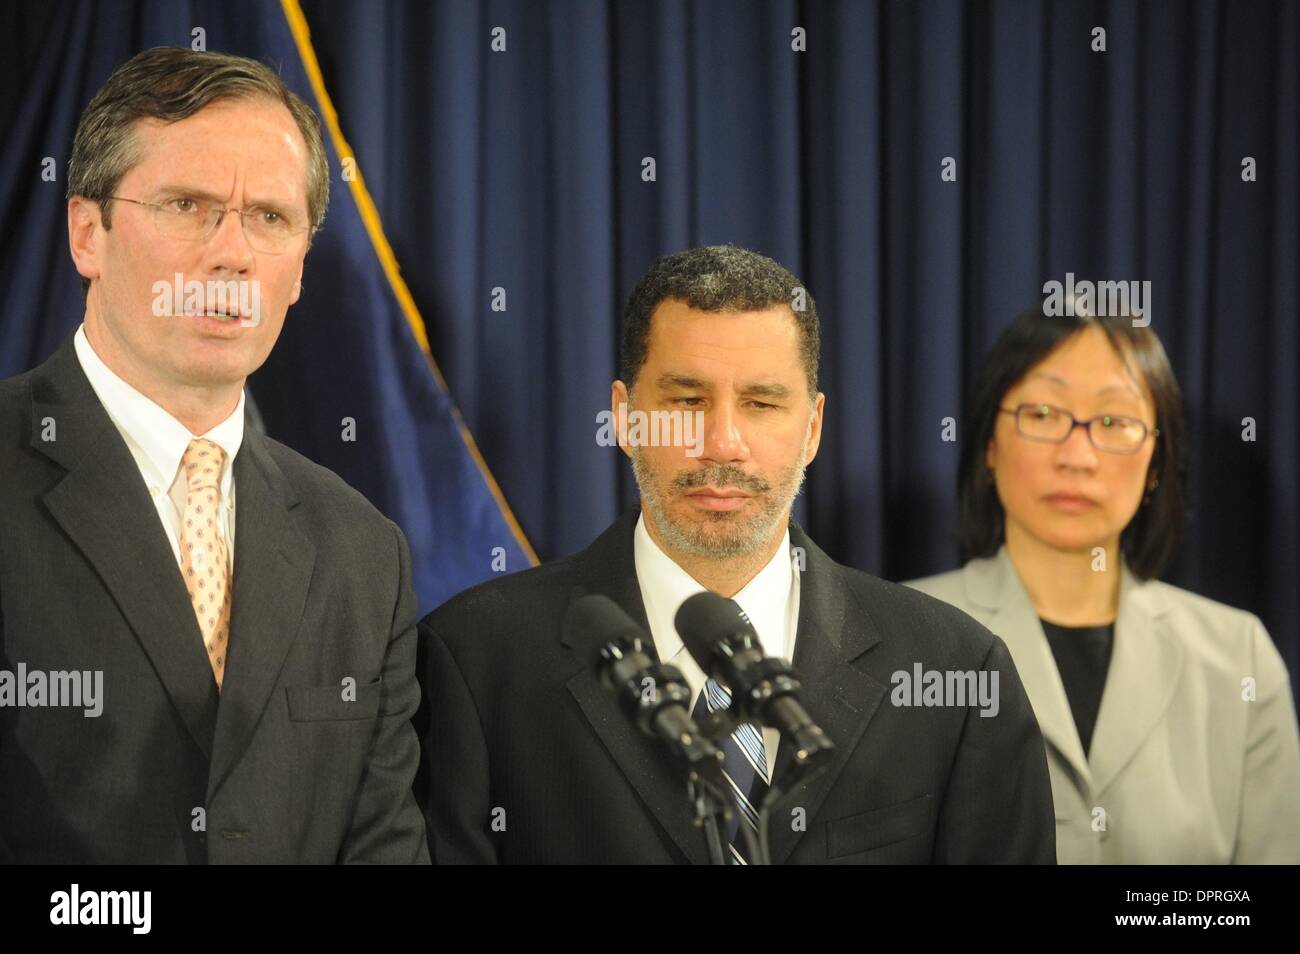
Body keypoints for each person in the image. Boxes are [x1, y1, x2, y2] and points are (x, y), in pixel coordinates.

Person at [419, 244, 1055, 863]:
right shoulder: (475, 659)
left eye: (761, 404)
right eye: (687, 401)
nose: (722, 444)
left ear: (812, 428)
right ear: (624, 416)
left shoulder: (957, 670)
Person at [0, 47, 428, 863]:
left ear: (300, 267)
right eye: (188, 205)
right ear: (89, 233)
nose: (231, 254)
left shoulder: (363, 552)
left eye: (269, 217)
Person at [907, 304, 1300, 863]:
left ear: (1157, 461)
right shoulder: (896, 633)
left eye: (1113, 422)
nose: (1077, 455)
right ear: (989, 445)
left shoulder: (1240, 656)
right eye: (1042, 413)